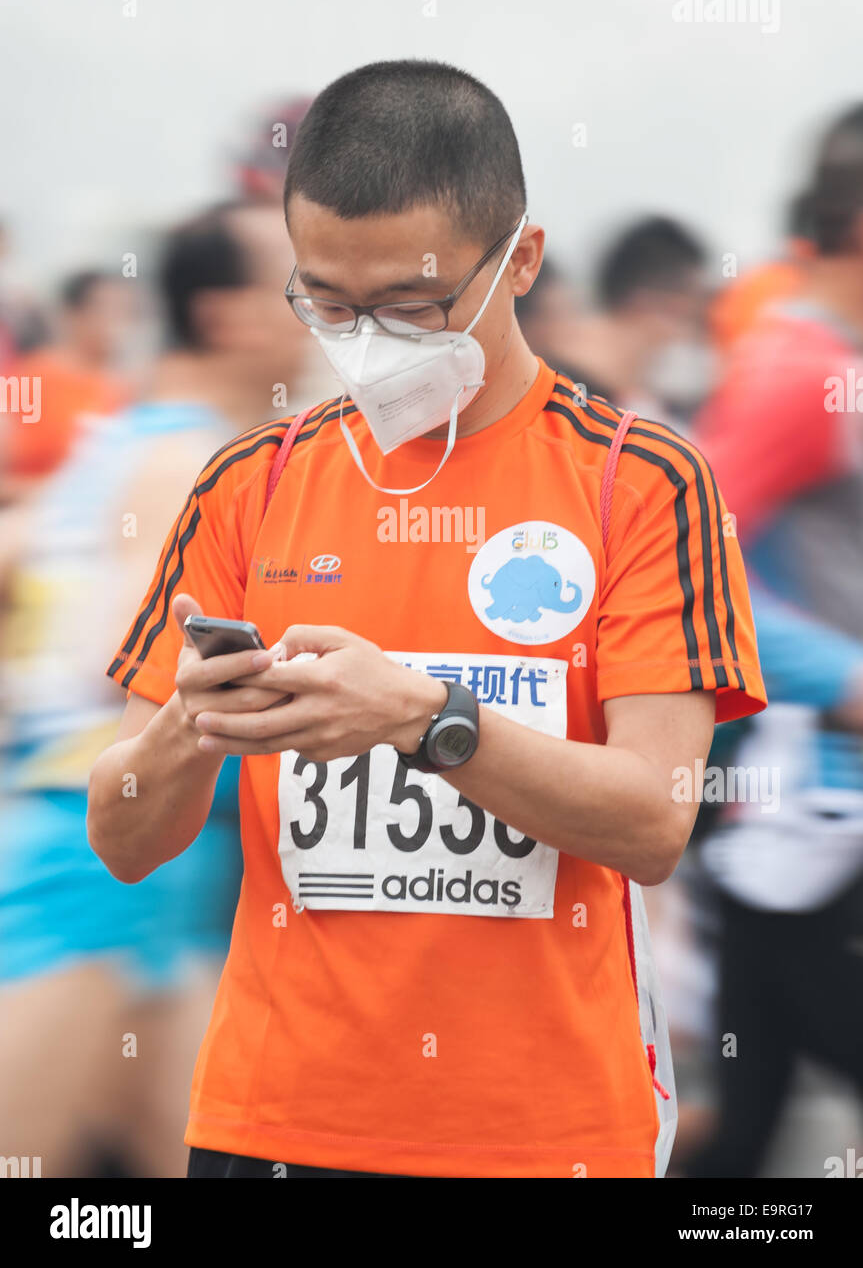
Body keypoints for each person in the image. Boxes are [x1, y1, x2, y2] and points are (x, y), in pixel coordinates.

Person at [88, 58, 767, 1180]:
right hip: (269, 1123)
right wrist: (183, 731)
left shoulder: (638, 484)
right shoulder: (246, 484)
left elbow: (652, 820)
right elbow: (122, 838)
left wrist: (423, 717)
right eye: (327, 301)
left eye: (411, 304)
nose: (367, 338)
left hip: (548, 1135)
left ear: (522, 261)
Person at [0, 200, 311, 1177]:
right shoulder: (195, 463)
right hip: (97, 864)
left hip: (144, 871)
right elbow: (130, 657)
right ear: (227, 317)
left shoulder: (117, 439)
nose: (325, 315)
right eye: (298, 288)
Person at [687, 108, 863, 1178]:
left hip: (823, 812)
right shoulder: (792, 367)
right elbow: (688, 555)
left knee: (742, 1130)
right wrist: (841, 674)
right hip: (799, 800)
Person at [541, 216, 712, 423]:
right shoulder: (565, 398)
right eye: (697, 317)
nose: (702, 336)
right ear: (652, 303)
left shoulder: (633, 399)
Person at [1, 270, 135, 502]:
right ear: (73, 314)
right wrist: (62, 492)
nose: (118, 325)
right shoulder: (30, 378)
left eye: (126, 313)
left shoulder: (121, 391)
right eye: (106, 310)